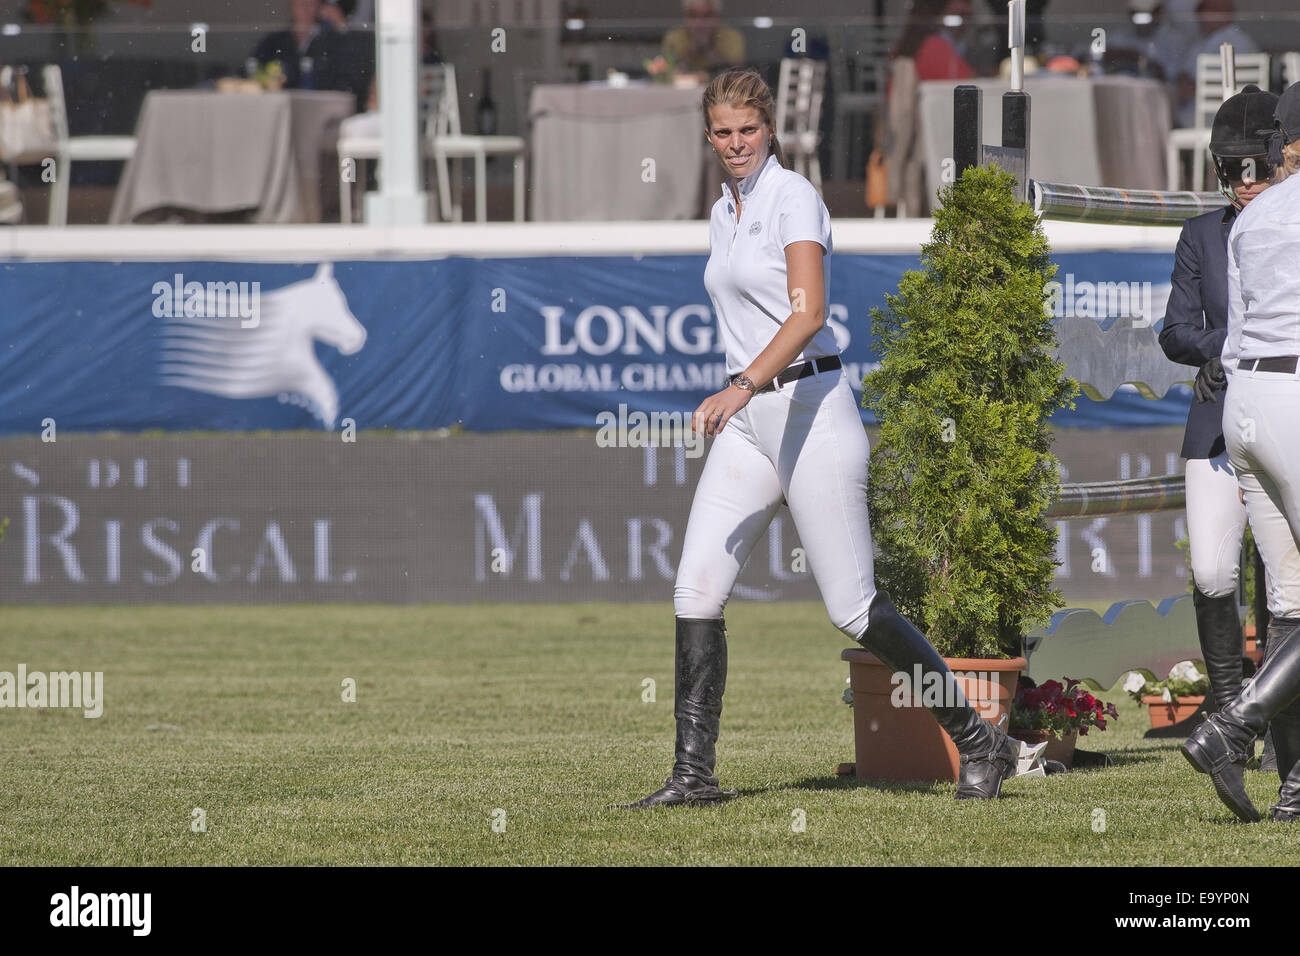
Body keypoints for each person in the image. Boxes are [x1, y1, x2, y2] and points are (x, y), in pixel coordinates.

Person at [618, 68, 1018, 810]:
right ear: (708, 137)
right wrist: (743, 395)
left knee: (855, 608)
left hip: (808, 408)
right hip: (753, 423)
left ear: (769, 130)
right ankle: (694, 775)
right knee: (695, 589)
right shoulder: (721, 210)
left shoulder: (793, 196)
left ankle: (978, 738)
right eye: (723, 132)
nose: (736, 143)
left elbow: (806, 315)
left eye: (748, 130)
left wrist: (739, 386)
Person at [1182, 82, 1300, 823]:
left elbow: (1233, 332)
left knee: (1290, 601)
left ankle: (1295, 789)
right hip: (1292, 392)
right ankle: (1232, 723)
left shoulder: (1252, 219)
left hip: (1246, 409)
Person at [1159, 85, 1277, 731]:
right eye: (1233, 173)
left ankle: (1268, 715)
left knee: (1281, 570)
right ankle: (1231, 713)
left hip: (1281, 407)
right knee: (1211, 569)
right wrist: (1220, 351)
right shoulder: (1202, 236)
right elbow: (1174, 330)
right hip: (1217, 415)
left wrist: (1236, 351)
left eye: (1254, 170)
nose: (1245, 185)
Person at [890, 0, 978, 83]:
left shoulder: (909, 45)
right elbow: (967, 82)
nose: (964, 23)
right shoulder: (935, 46)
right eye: (957, 15)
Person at [661, 0, 746, 76]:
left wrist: (707, 49)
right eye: (693, 16)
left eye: (707, 16)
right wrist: (692, 51)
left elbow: (737, 74)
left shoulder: (732, 37)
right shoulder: (673, 37)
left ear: (717, 16)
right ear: (685, 16)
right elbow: (667, 74)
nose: (700, 23)